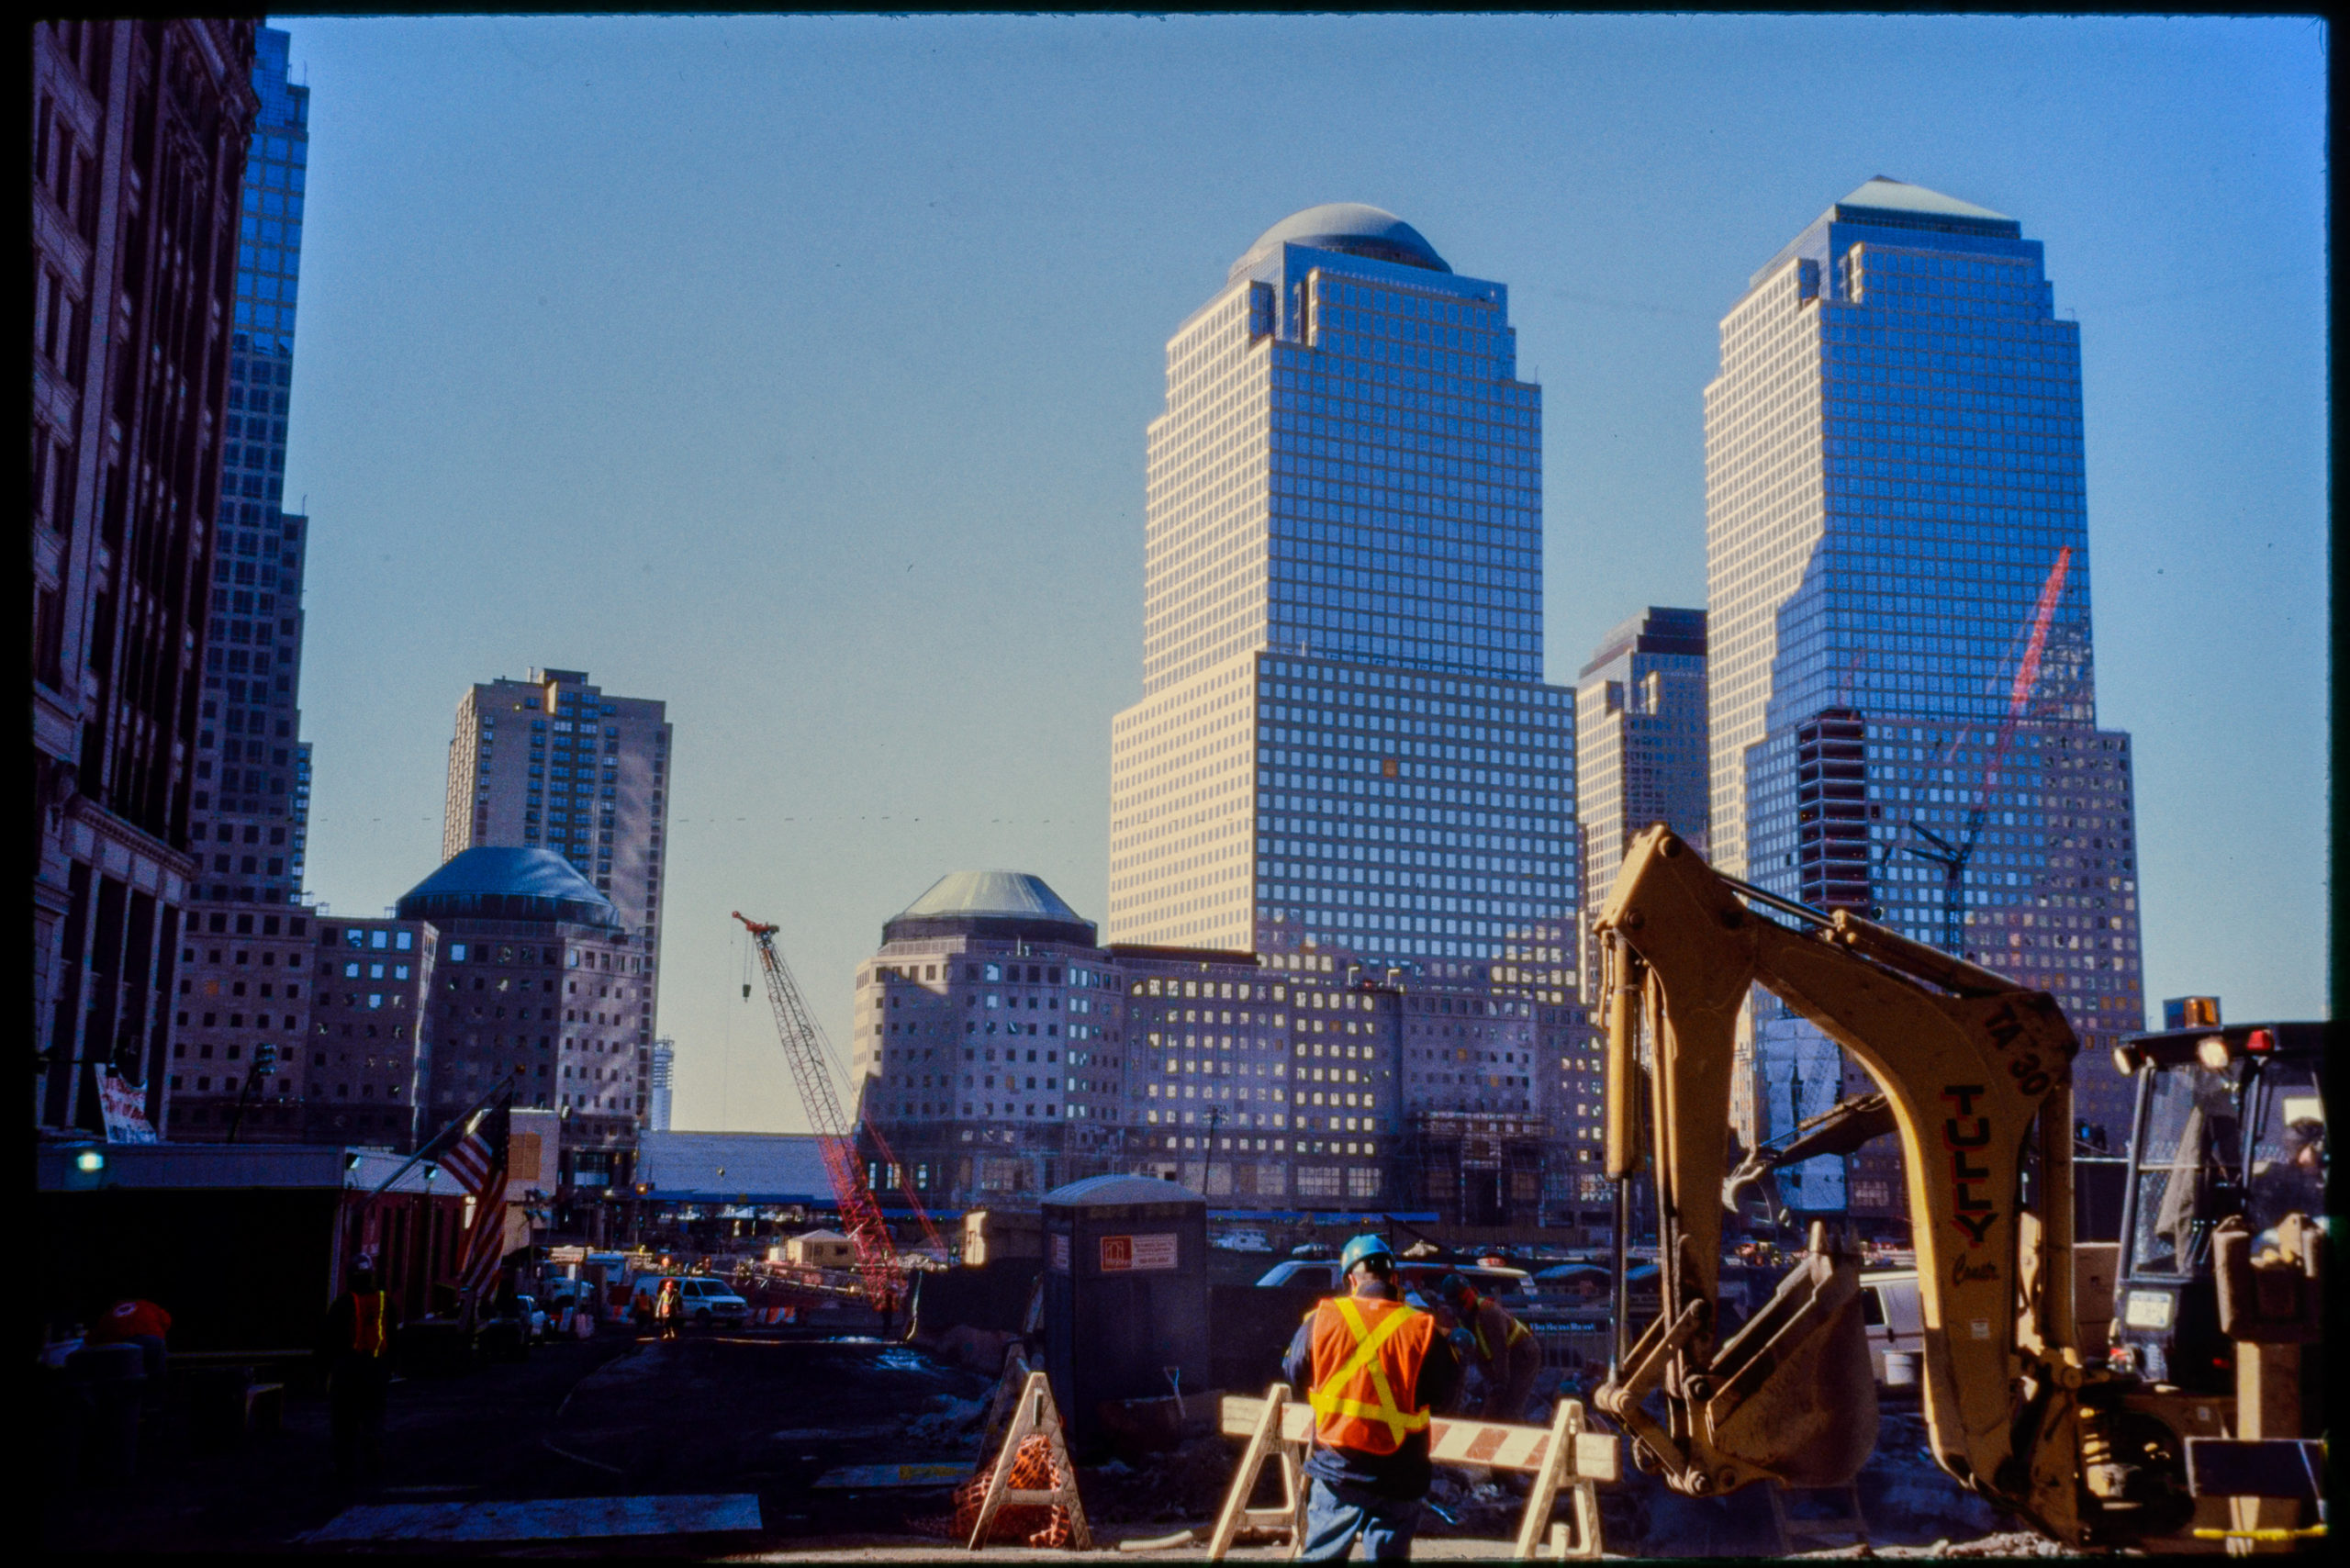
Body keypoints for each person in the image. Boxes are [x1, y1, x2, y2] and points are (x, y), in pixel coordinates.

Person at [1281, 1234, 1460, 1562]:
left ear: (1351, 1278)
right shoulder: (1423, 1329)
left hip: (1338, 1467)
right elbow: (1446, 1398)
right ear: (1394, 1278)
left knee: (1322, 1557)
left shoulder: (1321, 1319)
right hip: (1402, 1473)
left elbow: (1295, 1373)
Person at [320, 1267, 400, 1483]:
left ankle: (345, 1466)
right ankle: (373, 1459)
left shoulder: (343, 1303)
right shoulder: (384, 1302)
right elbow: (393, 1335)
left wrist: (325, 1369)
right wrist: (391, 1365)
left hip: (348, 1370)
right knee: (373, 1417)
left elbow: (328, 1338)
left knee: (344, 1420)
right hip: (376, 1369)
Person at [1434, 1273, 1541, 1424]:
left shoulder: (1488, 1312)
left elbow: (1500, 1350)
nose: (1456, 1308)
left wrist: (1501, 1383)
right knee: (1496, 1407)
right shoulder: (1462, 1319)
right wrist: (1491, 1381)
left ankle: (1519, 1437)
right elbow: (1478, 1354)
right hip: (1504, 1358)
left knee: (1510, 1407)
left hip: (1523, 1354)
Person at [85, 1296, 173, 1390]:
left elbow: (92, 1340)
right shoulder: (148, 1305)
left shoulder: (109, 1313)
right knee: (156, 1378)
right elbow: (166, 1321)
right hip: (151, 1343)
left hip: (122, 1349)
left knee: (128, 1381)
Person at [655, 1277, 683, 1341]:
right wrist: (657, 1312)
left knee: (673, 1322)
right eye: (668, 1286)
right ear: (665, 1287)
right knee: (665, 1323)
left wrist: (679, 1310)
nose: (669, 1288)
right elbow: (660, 1303)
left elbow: (679, 1301)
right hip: (665, 1310)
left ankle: (672, 1332)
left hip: (673, 1310)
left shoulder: (676, 1293)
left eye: (670, 1286)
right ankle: (666, 1333)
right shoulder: (664, 1293)